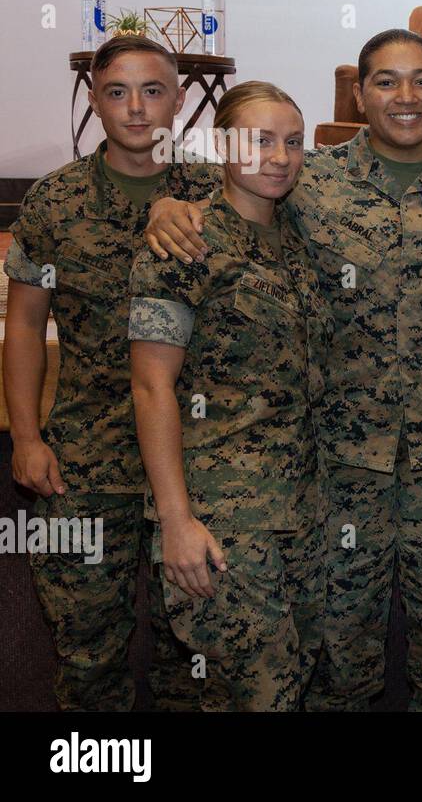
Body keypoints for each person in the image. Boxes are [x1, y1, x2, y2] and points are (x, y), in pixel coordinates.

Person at [143, 30, 422, 711]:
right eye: (386, 81)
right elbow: (232, 182)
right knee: (337, 657)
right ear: (359, 93)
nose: (406, 97)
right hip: (340, 469)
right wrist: (165, 204)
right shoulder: (312, 182)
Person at [2, 35, 214, 710]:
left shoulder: (219, 197)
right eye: (116, 92)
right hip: (86, 457)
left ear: (180, 101)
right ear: (93, 101)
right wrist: (27, 438)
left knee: (196, 649)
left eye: (153, 91)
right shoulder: (55, 202)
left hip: (199, 455)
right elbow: (28, 327)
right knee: (86, 645)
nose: (135, 109)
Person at [129, 81, 328, 710]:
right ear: (222, 146)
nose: (279, 156)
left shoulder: (300, 236)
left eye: (293, 142)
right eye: (259, 140)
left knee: (285, 687)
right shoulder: (182, 245)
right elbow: (151, 385)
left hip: (302, 510)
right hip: (224, 516)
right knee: (256, 696)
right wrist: (176, 522)